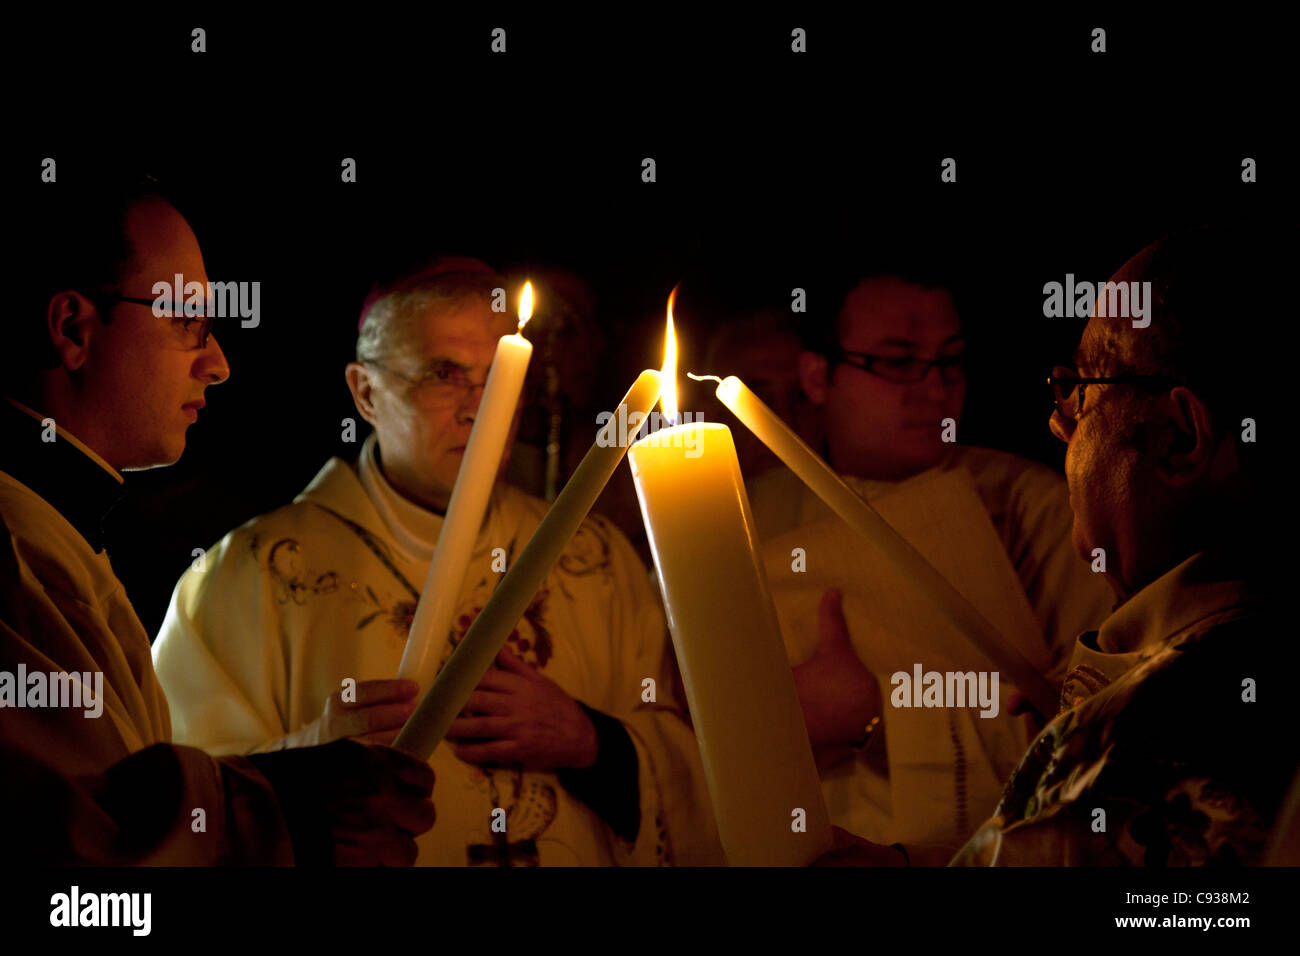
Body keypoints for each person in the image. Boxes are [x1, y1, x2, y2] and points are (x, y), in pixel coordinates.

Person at [153, 259, 721, 866]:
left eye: (502, 377)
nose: (481, 409)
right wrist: (314, 759)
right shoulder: (247, 577)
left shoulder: (597, 559)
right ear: (365, 393)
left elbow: (708, 767)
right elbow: (174, 807)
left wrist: (593, 743)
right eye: (444, 375)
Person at [1, 182, 435, 865]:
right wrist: (286, 811)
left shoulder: (59, 528)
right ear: (74, 330)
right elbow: (73, 863)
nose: (219, 363)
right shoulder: (14, 551)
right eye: (189, 323)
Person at [829, 227, 1292, 866]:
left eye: (1084, 387)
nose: (1059, 420)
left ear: (1181, 438)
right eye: (898, 360)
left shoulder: (1166, 723)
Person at [750, 271, 1114, 850]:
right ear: (817, 376)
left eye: (951, 361)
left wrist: (877, 718)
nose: (935, 389)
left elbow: (1092, 734)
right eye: (898, 362)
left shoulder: (1036, 508)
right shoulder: (748, 510)